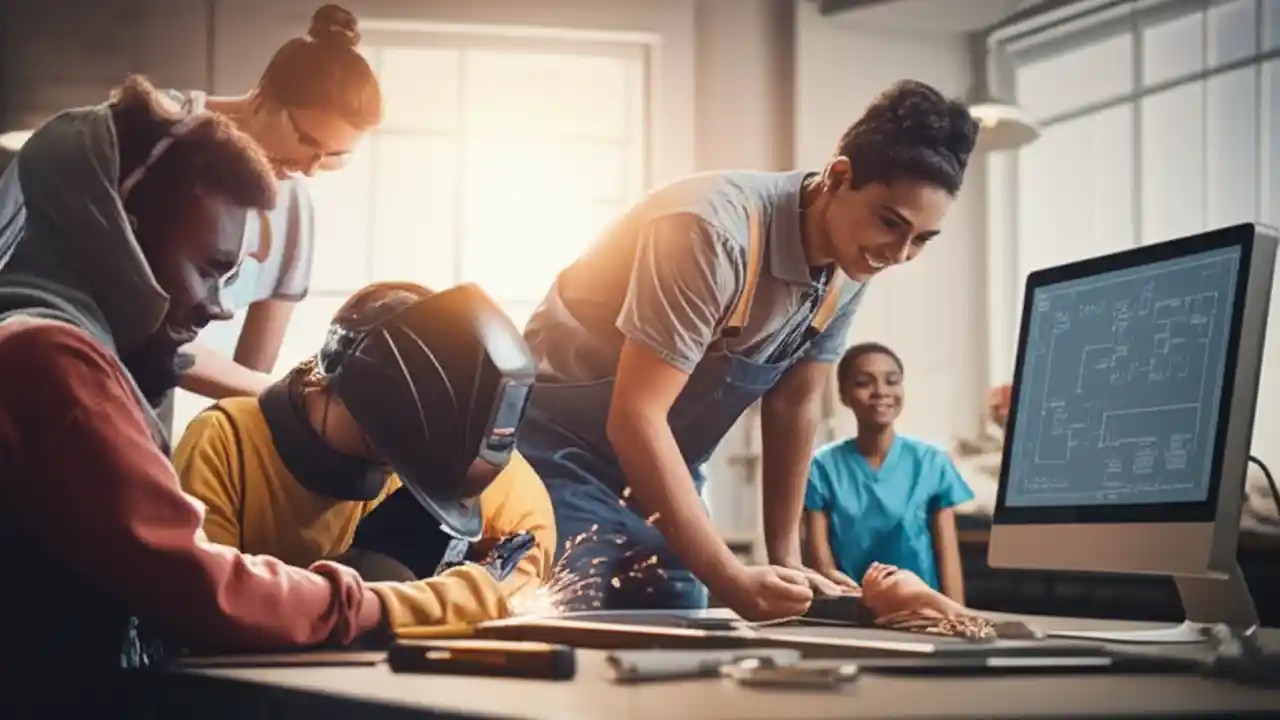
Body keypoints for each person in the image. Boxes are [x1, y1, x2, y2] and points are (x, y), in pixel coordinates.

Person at [0, 78, 511, 698]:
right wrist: (412, 606)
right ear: (118, 236)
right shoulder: (51, 360)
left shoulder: (48, 349)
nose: (219, 309)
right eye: (211, 270)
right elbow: (205, 590)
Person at [518, 79, 980, 620]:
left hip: (666, 472)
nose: (900, 254)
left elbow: (793, 405)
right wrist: (729, 576)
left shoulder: (854, 262)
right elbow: (636, 416)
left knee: (678, 648)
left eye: (922, 238)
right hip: (558, 460)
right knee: (568, 641)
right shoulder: (709, 231)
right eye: (891, 224)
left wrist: (786, 559)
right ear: (839, 176)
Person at [174, 281, 553, 599]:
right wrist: (381, 600)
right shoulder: (225, 444)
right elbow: (207, 604)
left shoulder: (448, 458)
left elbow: (531, 548)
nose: (392, 470)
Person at [170, 3, 382, 401]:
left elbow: (248, 381)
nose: (311, 169)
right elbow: (142, 330)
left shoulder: (292, 210)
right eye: (307, 141)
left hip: (154, 403)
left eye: (333, 156)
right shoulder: (158, 134)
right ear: (263, 97)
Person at [803, 343, 975, 604]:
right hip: (852, 611)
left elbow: (948, 556)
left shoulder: (931, 462)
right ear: (844, 395)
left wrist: (958, 617)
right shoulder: (822, 467)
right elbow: (821, 566)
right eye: (864, 383)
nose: (881, 392)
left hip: (923, 611)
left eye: (892, 381)